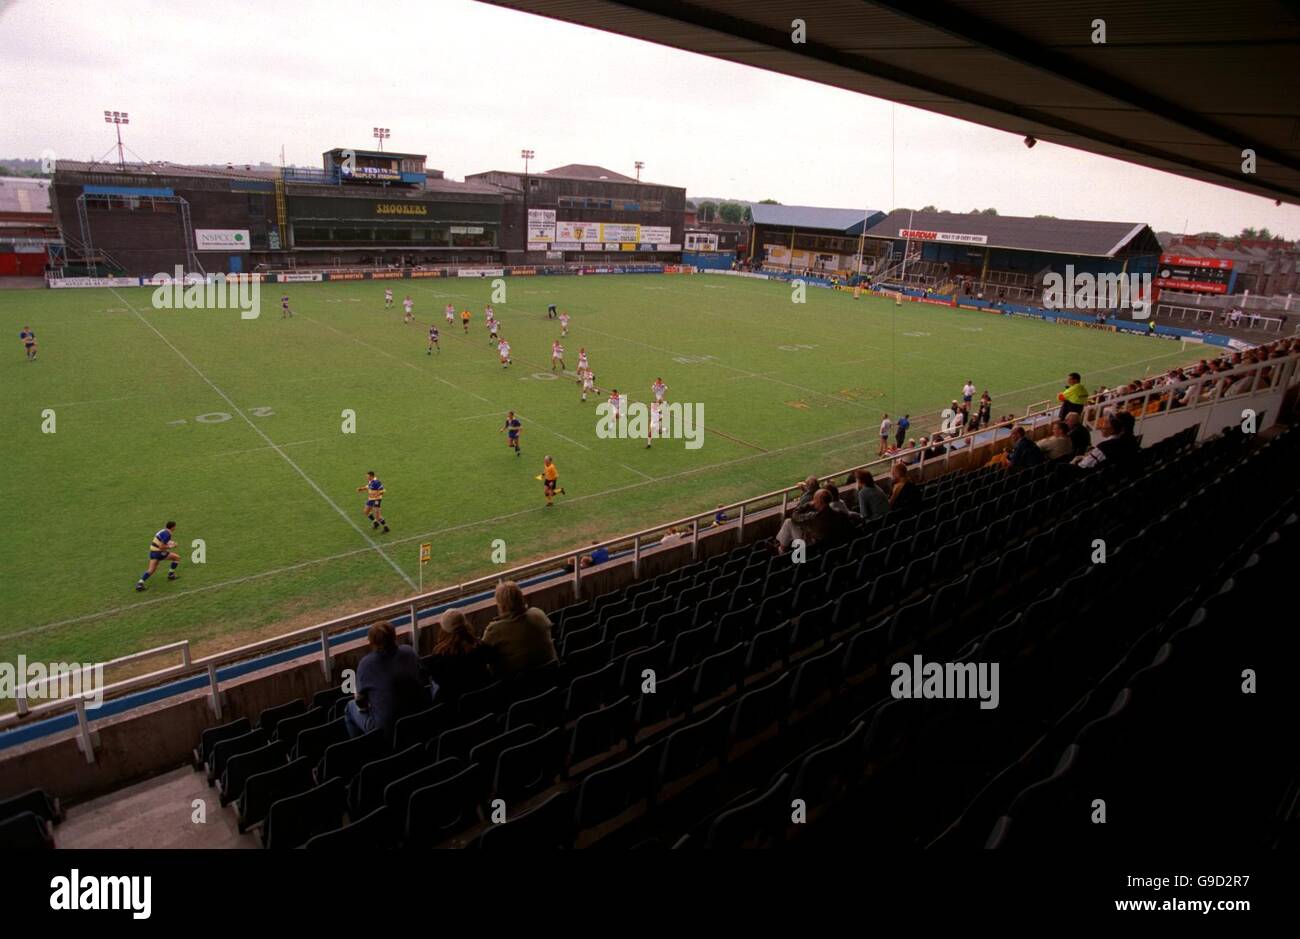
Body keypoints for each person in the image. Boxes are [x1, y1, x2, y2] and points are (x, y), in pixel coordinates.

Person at [344, 622, 426, 739]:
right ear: (394, 636)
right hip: (419, 717)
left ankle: (361, 749)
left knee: (349, 707)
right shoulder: (409, 651)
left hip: (386, 730)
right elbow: (423, 677)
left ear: (372, 642)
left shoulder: (366, 664)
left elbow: (360, 703)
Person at [481, 582, 557, 680]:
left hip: (519, 689)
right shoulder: (538, 614)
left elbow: (482, 659)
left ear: (501, 605)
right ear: (521, 597)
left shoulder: (494, 630)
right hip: (551, 680)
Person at [425, 608, 492, 703]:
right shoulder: (481, 647)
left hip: (453, 708)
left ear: (443, 630)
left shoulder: (437, 659)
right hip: (483, 703)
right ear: (466, 625)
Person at [135, 521, 181, 592]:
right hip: (159, 552)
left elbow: (162, 541)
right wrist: (172, 546)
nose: (175, 528)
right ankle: (171, 575)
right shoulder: (168, 534)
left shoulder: (163, 531)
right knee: (176, 558)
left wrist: (171, 542)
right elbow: (161, 547)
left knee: (151, 569)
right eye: (175, 526)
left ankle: (140, 583)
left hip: (152, 552)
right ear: (172, 527)